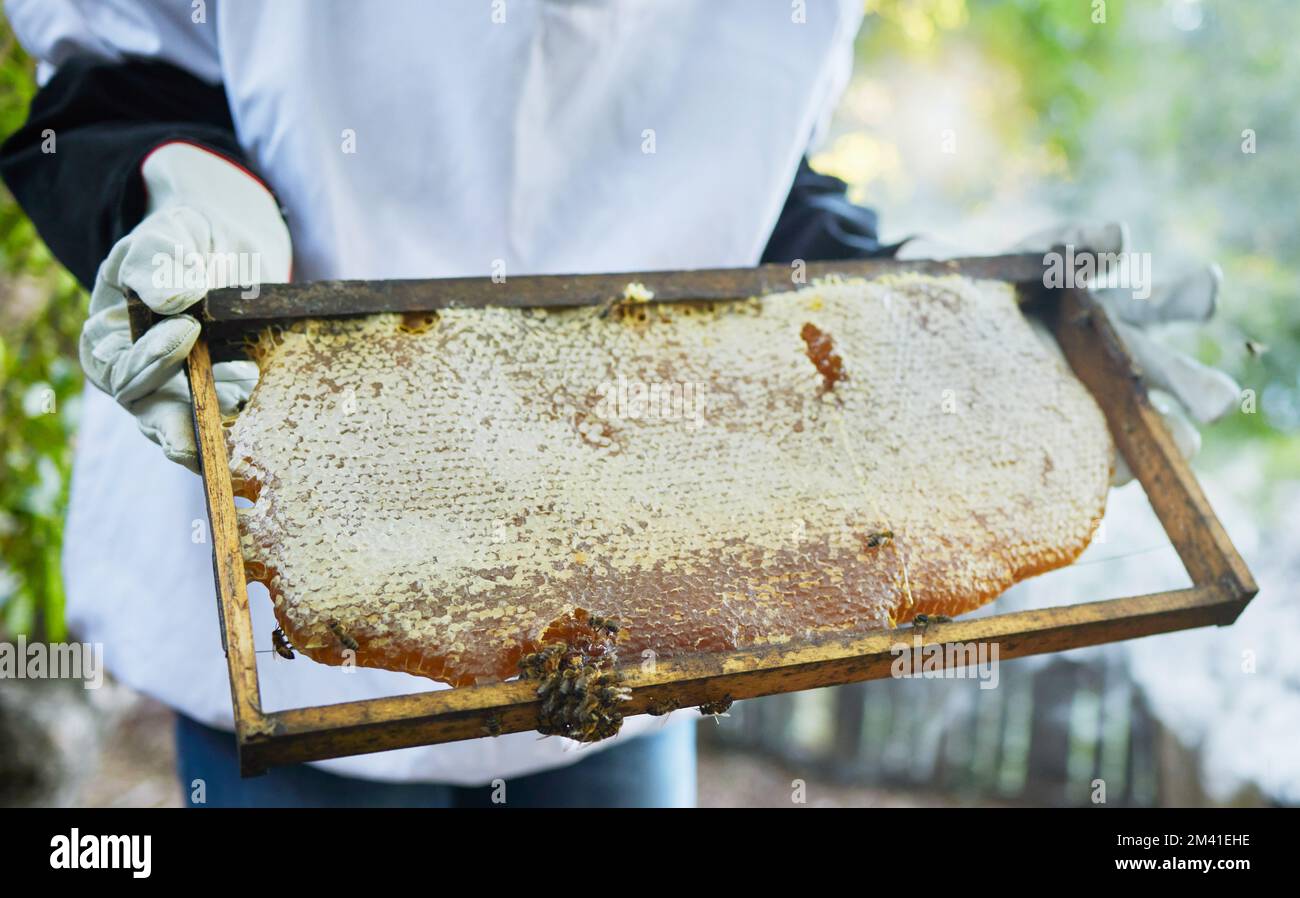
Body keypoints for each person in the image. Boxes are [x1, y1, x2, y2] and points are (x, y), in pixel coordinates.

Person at [0, 1, 1236, 807]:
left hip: (654, 616)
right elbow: (117, 72)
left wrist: (964, 343)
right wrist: (181, 187)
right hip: (304, 585)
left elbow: (755, 181)